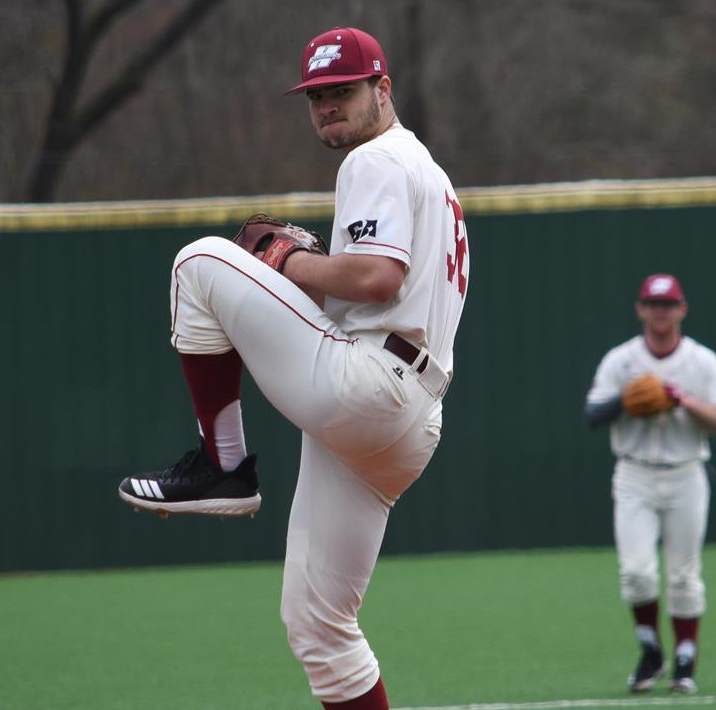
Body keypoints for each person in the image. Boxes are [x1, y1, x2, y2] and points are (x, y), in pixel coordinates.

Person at [117, 26, 469, 710]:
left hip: (371, 385)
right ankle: (223, 468)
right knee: (319, 628)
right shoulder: (427, 173)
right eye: (316, 96)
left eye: (342, 90)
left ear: (382, 88)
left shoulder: (376, 160)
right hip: (406, 419)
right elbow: (375, 287)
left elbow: (372, 277)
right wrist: (303, 268)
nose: (328, 106)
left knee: (198, 263)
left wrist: (284, 260)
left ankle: (223, 464)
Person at [583, 273, 716, 695]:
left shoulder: (702, 362)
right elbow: (593, 414)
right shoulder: (622, 360)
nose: (660, 311)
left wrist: (681, 399)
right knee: (636, 573)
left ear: (682, 309)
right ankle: (651, 650)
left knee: (685, 575)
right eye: (653, 304)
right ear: (641, 309)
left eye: (668, 304)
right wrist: (628, 400)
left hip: (687, 472)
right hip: (634, 474)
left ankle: (685, 658)